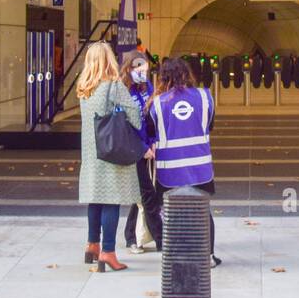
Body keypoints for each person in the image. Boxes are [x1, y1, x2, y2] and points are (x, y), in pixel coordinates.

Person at [144, 57, 221, 268]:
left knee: (170, 213)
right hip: (200, 166)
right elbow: (210, 125)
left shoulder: (157, 104)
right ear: (188, 75)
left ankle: (175, 255)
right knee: (203, 211)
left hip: (170, 170)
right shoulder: (205, 97)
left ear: (163, 77)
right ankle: (208, 256)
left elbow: (151, 132)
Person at [76, 41, 142, 273]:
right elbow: (134, 112)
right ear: (109, 59)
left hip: (91, 150)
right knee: (111, 200)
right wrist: (138, 129)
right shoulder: (113, 85)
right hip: (111, 150)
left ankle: (92, 245)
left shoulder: (84, 86)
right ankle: (109, 252)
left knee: (95, 198)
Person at [121, 51, 163, 254]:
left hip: (148, 149)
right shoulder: (122, 92)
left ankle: (131, 237)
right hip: (133, 150)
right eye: (139, 69)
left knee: (142, 195)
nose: (142, 73)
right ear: (129, 68)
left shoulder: (148, 88)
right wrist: (141, 148)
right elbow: (123, 126)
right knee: (148, 196)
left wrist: (153, 141)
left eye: (145, 69)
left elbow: (152, 117)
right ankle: (161, 239)